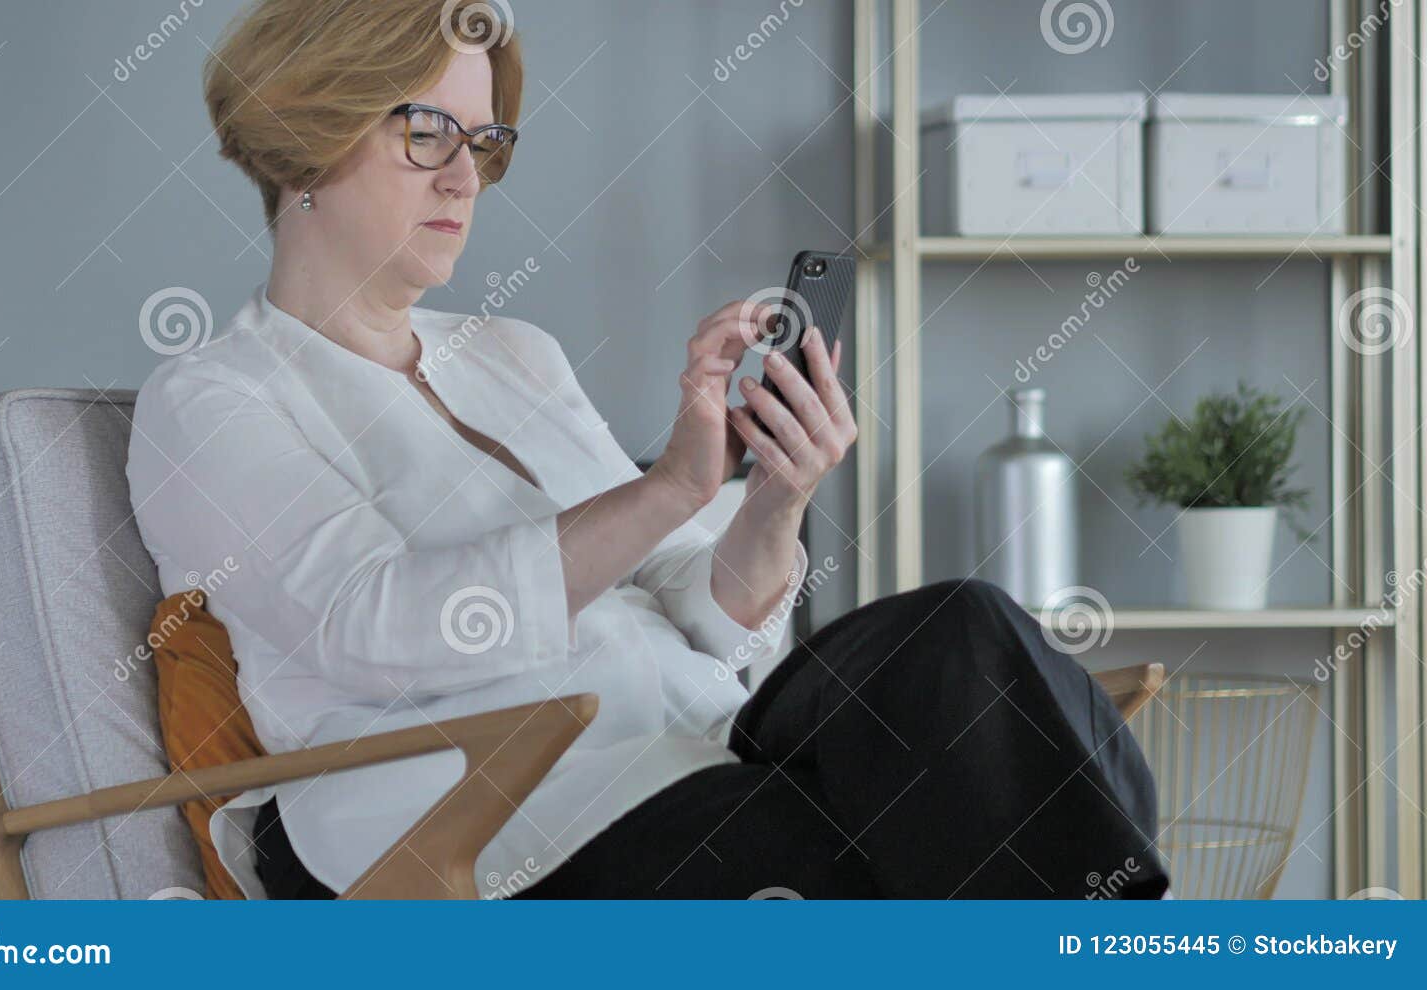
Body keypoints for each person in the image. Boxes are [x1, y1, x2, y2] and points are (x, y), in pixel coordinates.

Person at [125, 0, 1167, 900]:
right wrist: (668, 489)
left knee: (962, 636)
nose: (464, 179)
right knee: (900, 830)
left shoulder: (513, 355)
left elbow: (705, 616)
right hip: (480, 824)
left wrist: (773, 496)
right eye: (428, 132)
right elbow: (373, 628)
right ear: (305, 137)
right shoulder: (213, 398)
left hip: (699, 746)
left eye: (482, 142)